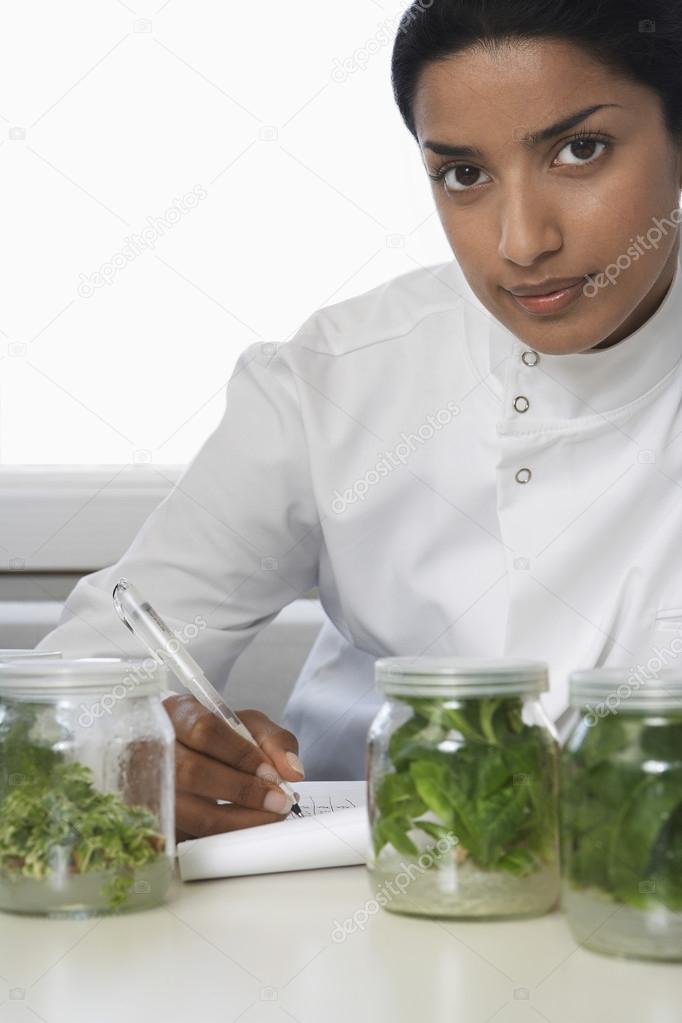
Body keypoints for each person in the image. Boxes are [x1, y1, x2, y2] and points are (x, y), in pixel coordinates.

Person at [37, 0, 682, 839]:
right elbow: (75, 686)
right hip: (358, 895)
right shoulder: (332, 382)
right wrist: (131, 749)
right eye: (463, 174)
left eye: (580, 150)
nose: (522, 241)